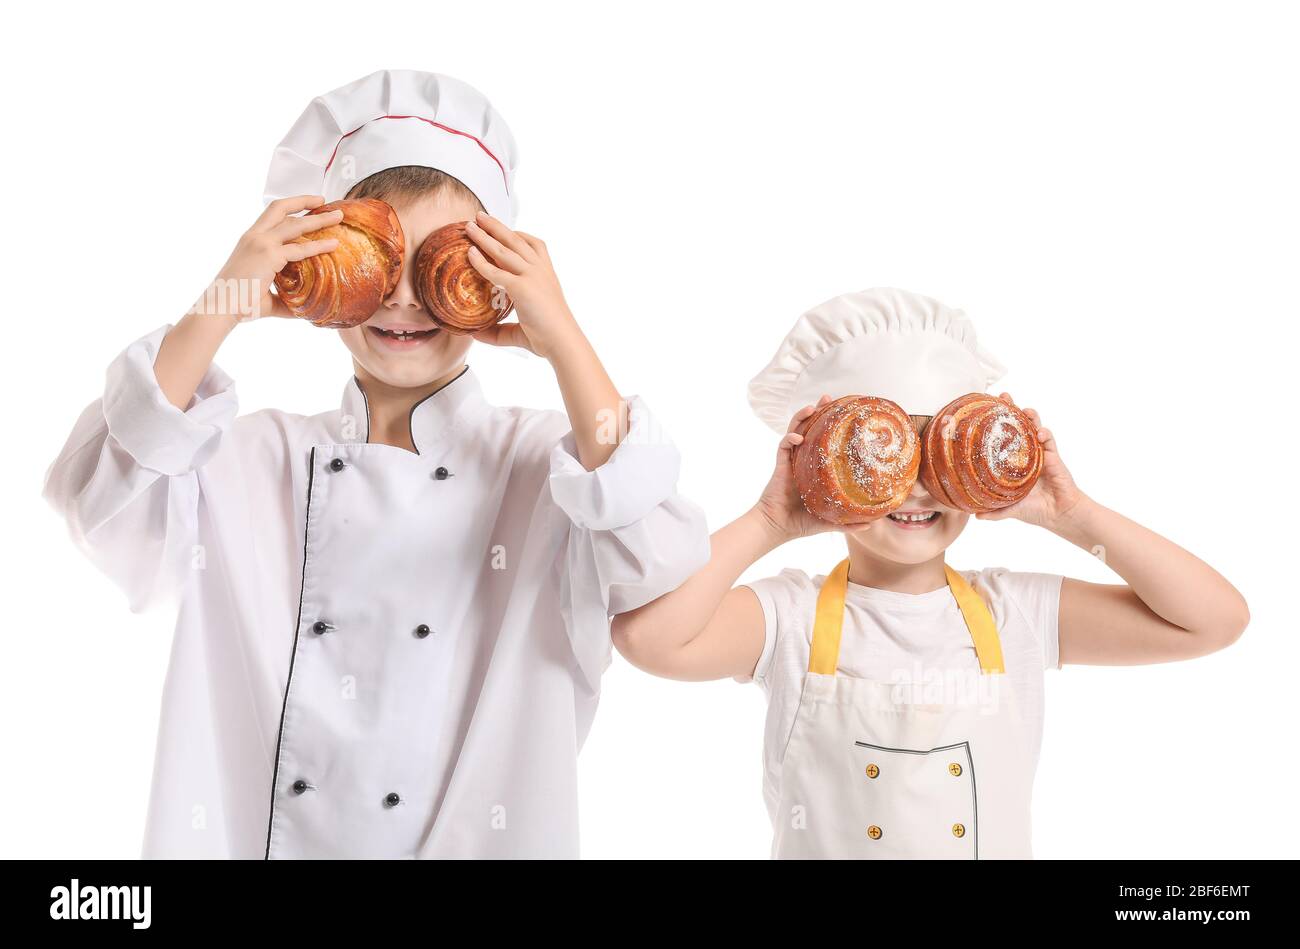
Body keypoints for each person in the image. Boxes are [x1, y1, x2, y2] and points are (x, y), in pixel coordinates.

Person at [43, 69, 708, 859]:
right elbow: (98, 493)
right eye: (376, 266)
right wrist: (223, 302)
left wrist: (565, 340)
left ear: (499, 282)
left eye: (440, 266)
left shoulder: (548, 471)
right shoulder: (248, 460)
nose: (403, 301)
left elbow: (655, 557)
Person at [612, 287, 1248, 858]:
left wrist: (1069, 513)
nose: (916, 490)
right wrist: (773, 518)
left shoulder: (1016, 613)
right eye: (881, 455)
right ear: (819, 467)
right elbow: (648, 638)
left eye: (938, 457)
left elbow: (1214, 621)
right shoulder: (789, 620)